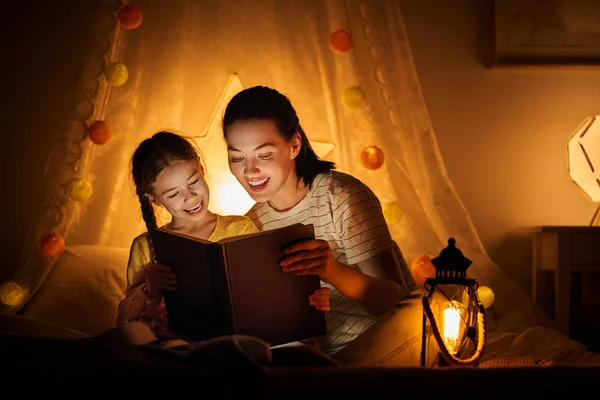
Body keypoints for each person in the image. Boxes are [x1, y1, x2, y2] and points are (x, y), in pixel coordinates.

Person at [222, 86, 417, 355]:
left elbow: (397, 303)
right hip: (307, 357)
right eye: (237, 157)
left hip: (376, 346)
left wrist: (333, 271)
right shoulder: (251, 223)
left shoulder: (341, 198)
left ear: (294, 145)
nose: (249, 170)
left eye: (264, 154)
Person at [115, 130, 331, 347]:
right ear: (154, 199)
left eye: (193, 182)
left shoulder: (240, 227)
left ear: (201, 169)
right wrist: (149, 289)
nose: (190, 197)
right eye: (173, 194)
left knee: (292, 347)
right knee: (133, 335)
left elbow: (268, 289)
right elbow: (123, 319)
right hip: (172, 342)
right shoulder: (146, 245)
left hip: (238, 337)